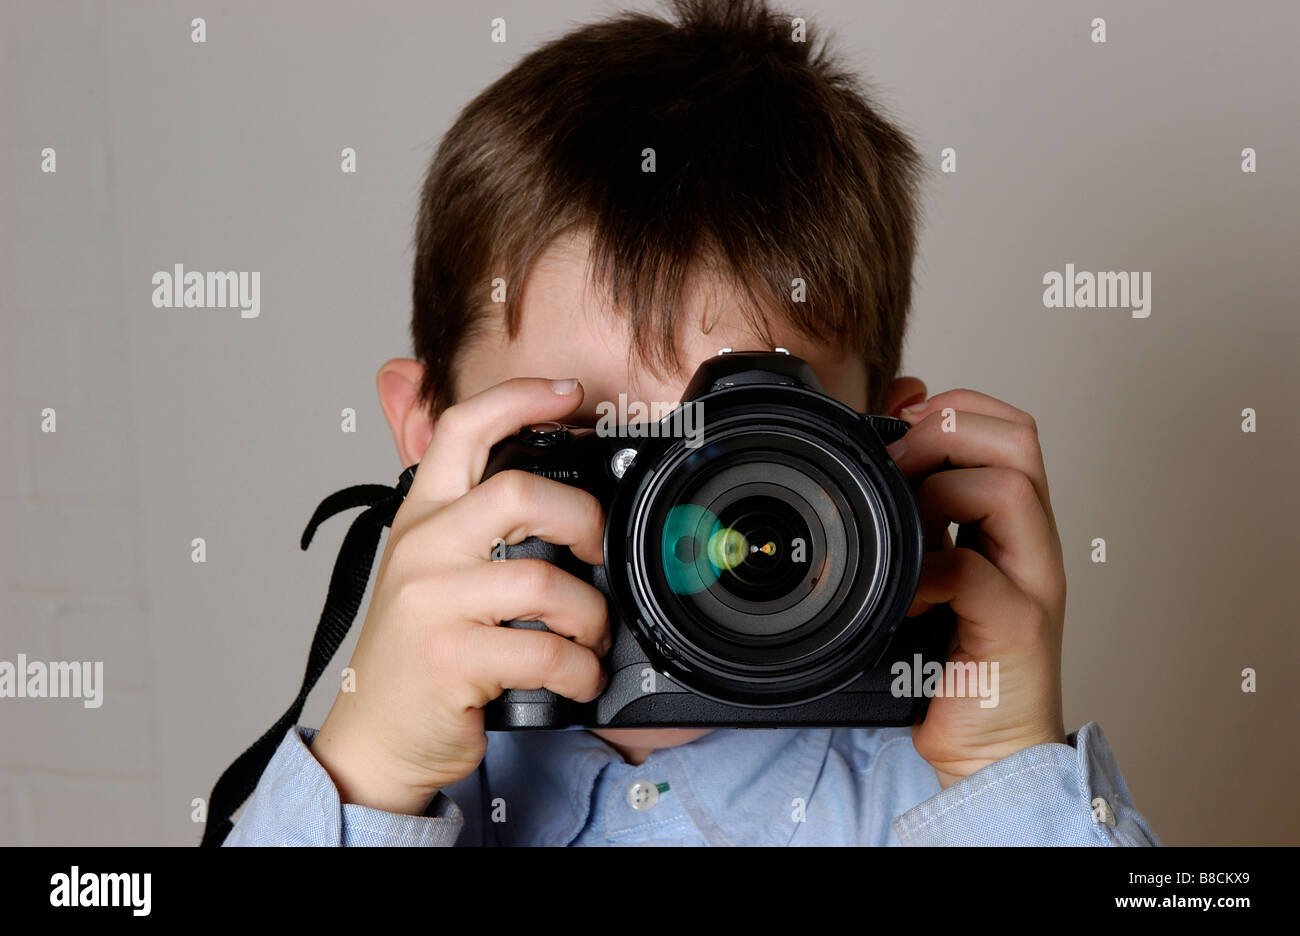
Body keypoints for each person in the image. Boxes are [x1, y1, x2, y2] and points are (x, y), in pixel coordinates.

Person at [225, 0, 1158, 846]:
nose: (681, 529)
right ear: (430, 434)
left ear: (890, 454)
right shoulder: (378, 783)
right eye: (598, 438)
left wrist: (1009, 774)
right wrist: (367, 781)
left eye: (748, 453)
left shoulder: (956, 799)